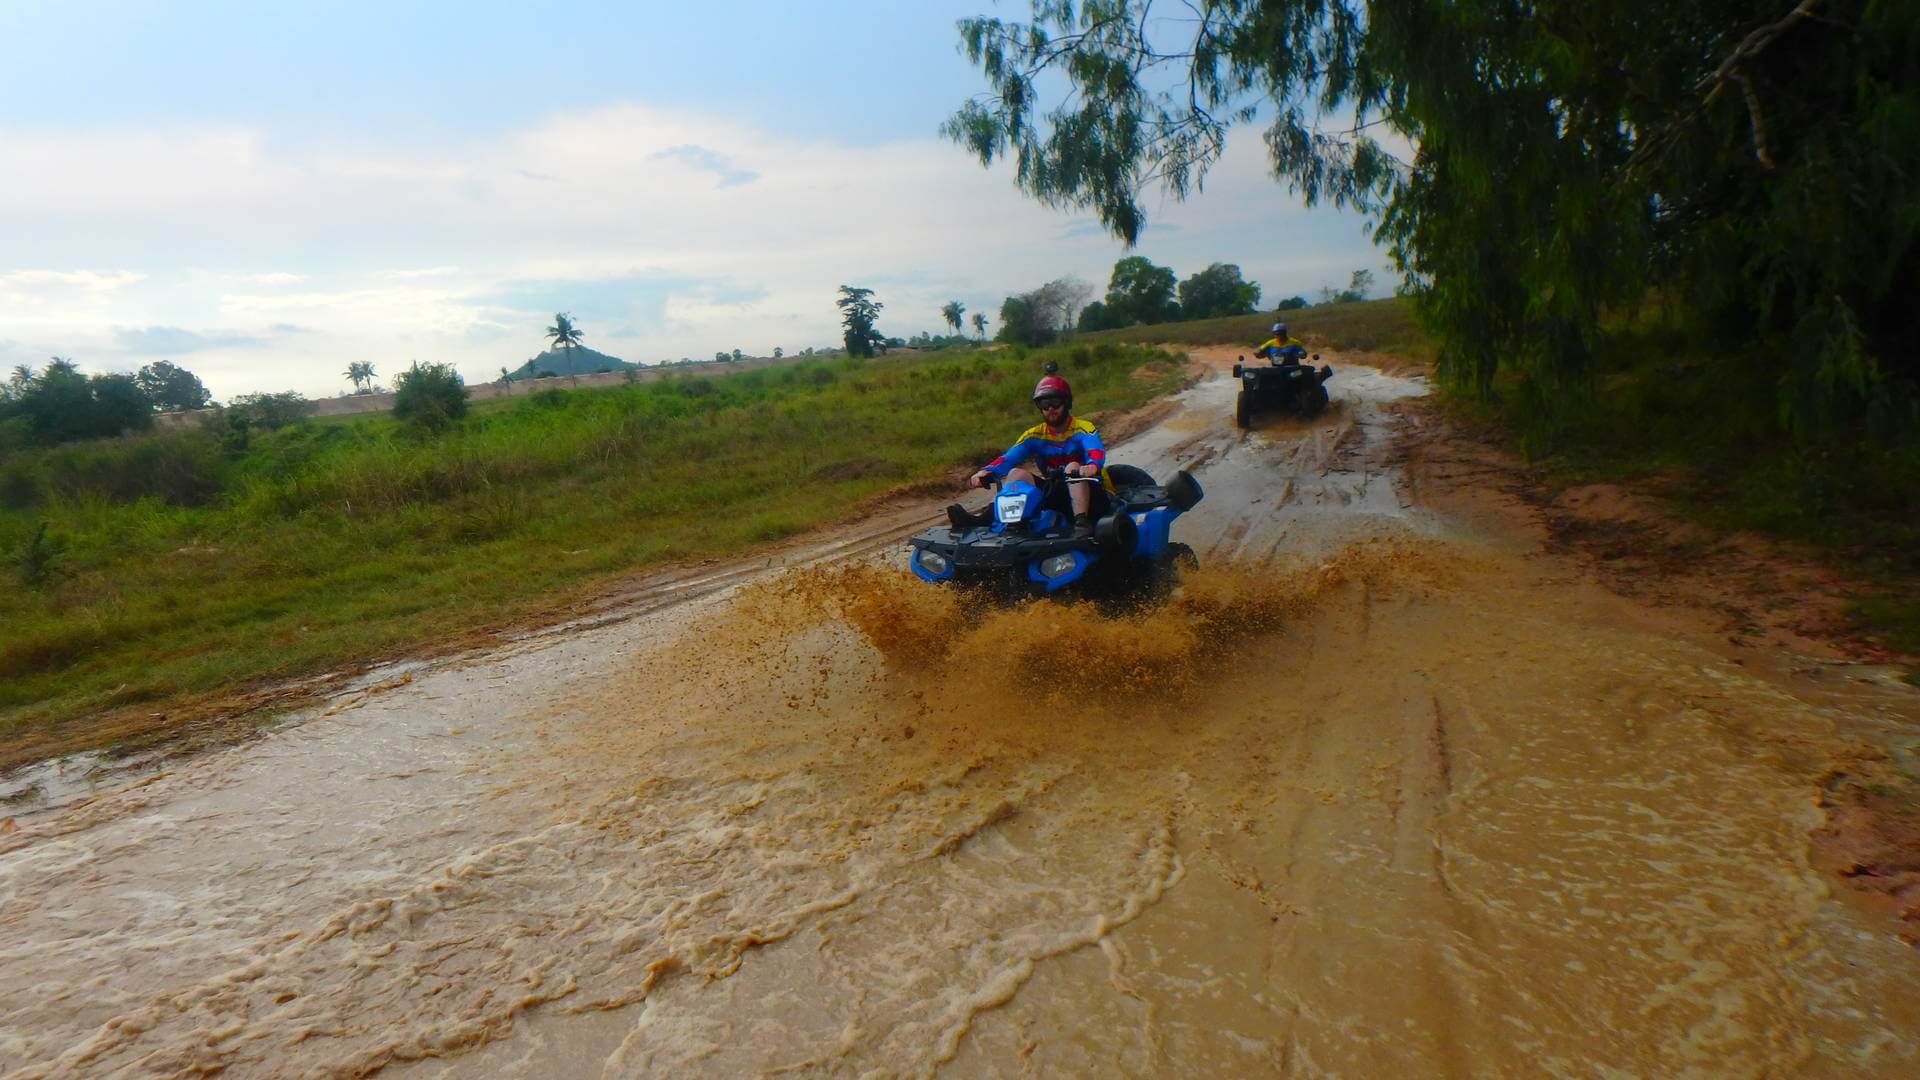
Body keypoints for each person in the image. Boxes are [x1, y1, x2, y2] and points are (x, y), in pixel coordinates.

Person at [961, 370, 1111, 538]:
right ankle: (1012, 525)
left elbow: (1095, 450)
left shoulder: (1083, 428)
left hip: (1094, 494)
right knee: (1016, 474)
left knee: (1072, 467)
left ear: (1066, 403)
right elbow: (1009, 457)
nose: (1050, 409)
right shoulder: (1034, 435)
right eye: (1045, 404)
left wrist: (1092, 465)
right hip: (1057, 493)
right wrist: (987, 471)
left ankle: (1082, 523)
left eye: (1055, 402)